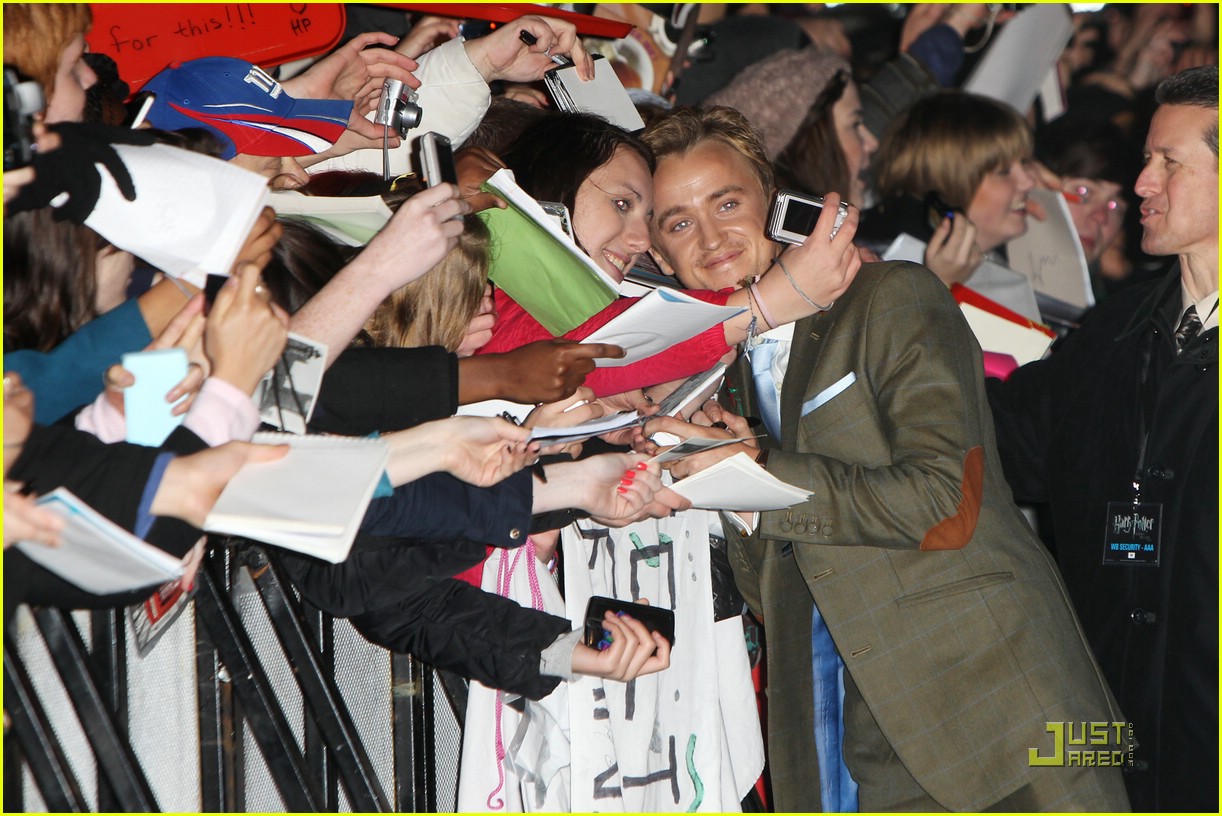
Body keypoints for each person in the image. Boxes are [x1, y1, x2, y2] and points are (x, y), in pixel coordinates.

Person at [639, 105, 1131, 812]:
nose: (711, 236)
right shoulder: (717, 381)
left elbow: (945, 504)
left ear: (772, 204)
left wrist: (760, 469)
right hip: (846, 734)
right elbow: (770, 588)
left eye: (726, 203)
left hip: (1001, 713)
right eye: (679, 222)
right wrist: (739, 490)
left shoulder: (891, 296)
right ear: (659, 251)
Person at [987, 65, 1217, 812]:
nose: (1142, 184)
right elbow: (1002, 443)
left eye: (1168, 164)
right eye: (1146, 159)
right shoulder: (1114, 334)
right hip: (1105, 745)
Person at [857, 91, 1040, 318]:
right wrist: (940, 286)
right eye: (1003, 171)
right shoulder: (874, 261)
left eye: (1024, 163)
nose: (1029, 181)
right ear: (945, 183)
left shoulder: (998, 255)